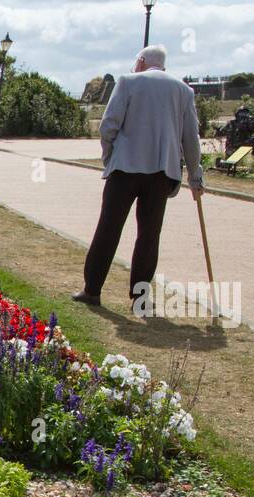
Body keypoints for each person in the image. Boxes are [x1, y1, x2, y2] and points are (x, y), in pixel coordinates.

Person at [73, 45, 204, 309]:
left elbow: (109, 125)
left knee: (108, 228)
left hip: (125, 169)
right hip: (161, 172)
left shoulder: (128, 81)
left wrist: (110, 157)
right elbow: (191, 138)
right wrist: (195, 176)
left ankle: (92, 290)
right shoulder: (182, 90)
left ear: (142, 61)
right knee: (149, 235)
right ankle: (140, 300)